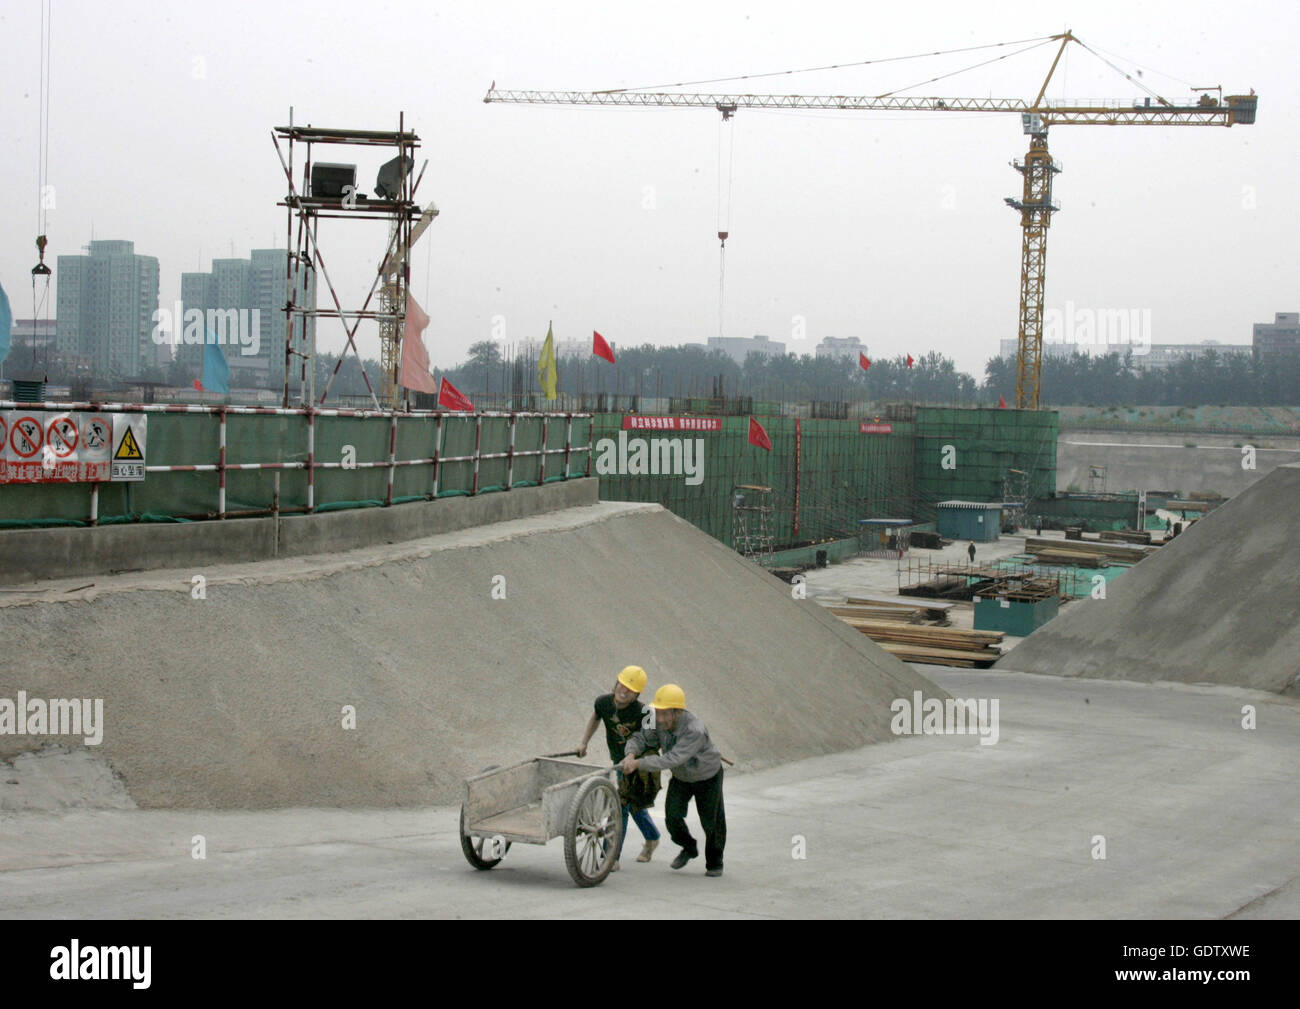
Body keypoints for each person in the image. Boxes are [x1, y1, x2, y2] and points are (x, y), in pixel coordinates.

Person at [620, 684, 725, 878]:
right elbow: (641, 737)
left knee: (712, 821)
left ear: (677, 712)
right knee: (672, 817)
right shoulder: (654, 718)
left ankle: (715, 862)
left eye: (665, 714)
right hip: (681, 777)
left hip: (707, 776)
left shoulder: (695, 730)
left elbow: (672, 759)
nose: (660, 719)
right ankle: (689, 847)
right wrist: (630, 753)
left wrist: (638, 764)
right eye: (658, 713)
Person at [577, 665, 661, 870]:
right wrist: (584, 743)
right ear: (616, 683)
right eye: (621, 685)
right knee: (630, 805)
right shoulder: (602, 702)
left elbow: (653, 741)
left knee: (620, 806)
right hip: (618, 760)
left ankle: (610, 857)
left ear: (637, 694)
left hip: (639, 766)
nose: (624, 691)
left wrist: (635, 760)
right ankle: (652, 837)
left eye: (630, 690)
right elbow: (595, 718)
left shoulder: (646, 712)